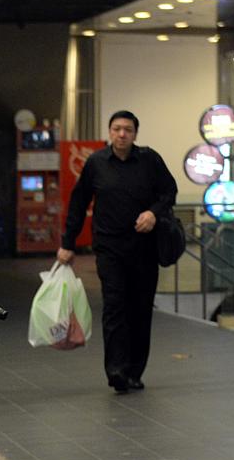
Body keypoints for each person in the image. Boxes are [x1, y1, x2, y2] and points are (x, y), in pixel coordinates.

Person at [59, 110, 177, 392]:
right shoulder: (96, 163)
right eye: (116, 129)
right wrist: (67, 243)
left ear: (135, 133)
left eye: (127, 129)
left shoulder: (149, 160)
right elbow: (78, 203)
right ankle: (116, 370)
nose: (122, 134)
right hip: (110, 248)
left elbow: (169, 191)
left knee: (140, 309)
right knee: (114, 307)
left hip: (144, 249)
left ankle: (135, 370)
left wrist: (153, 213)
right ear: (109, 132)